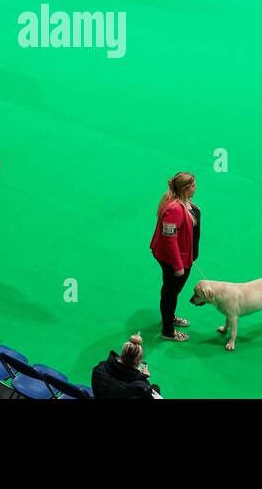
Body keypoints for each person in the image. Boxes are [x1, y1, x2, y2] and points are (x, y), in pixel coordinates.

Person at [151, 171, 199, 342]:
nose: (196, 188)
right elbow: (169, 240)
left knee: (171, 291)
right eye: (193, 186)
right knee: (171, 293)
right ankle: (168, 330)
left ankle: (168, 318)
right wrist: (178, 266)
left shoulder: (181, 203)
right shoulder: (174, 210)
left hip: (179, 257)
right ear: (185, 188)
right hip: (174, 260)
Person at [91, 333, 161, 399]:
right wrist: (145, 380)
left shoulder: (100, 368)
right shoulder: (139, 387)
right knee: (155, 388)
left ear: (122, 354)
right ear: (138, 361)